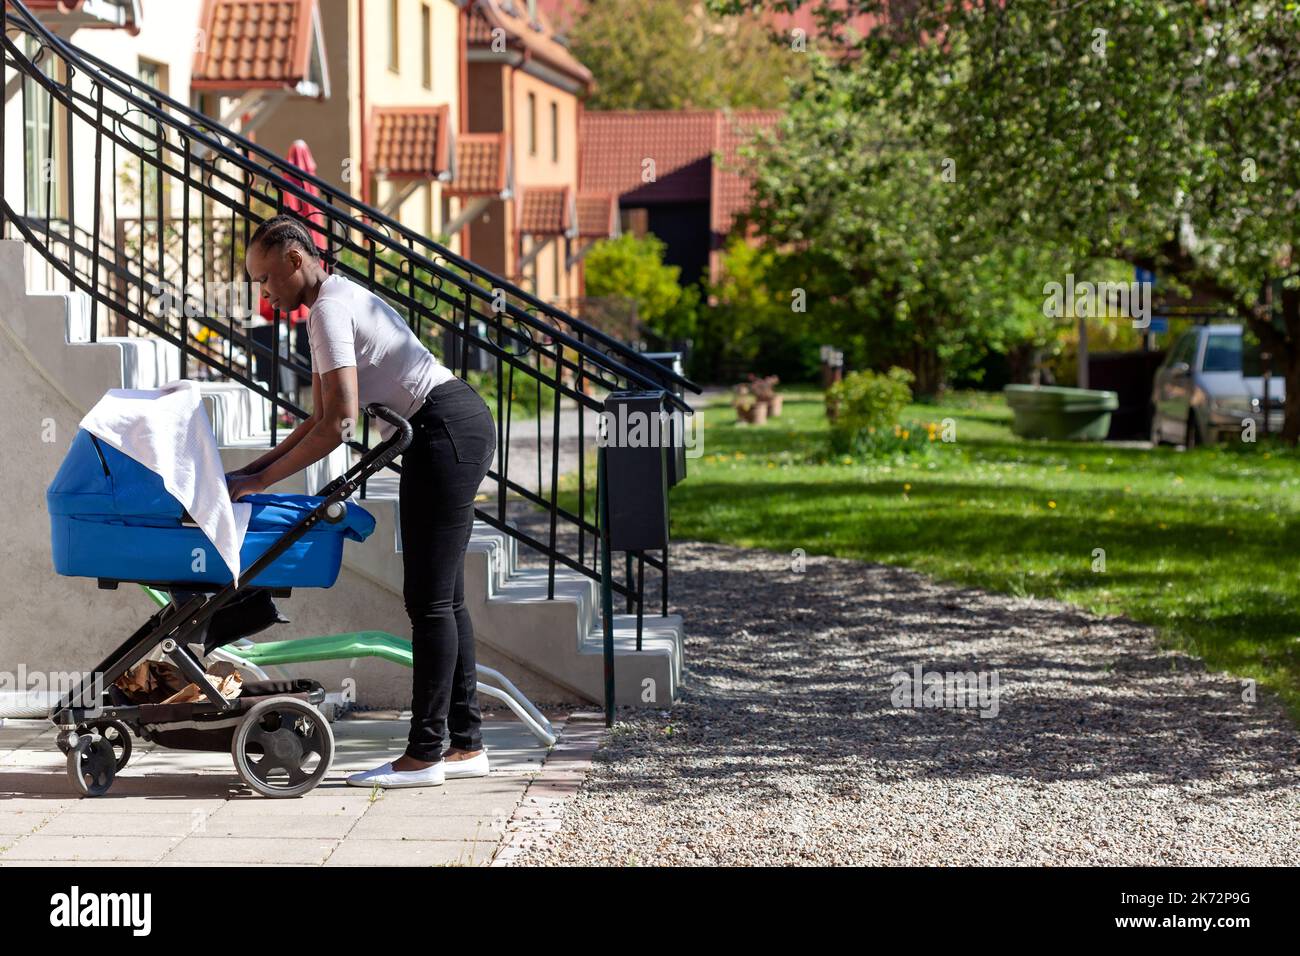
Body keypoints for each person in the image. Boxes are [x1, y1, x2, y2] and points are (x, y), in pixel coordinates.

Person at [226, 215, 497, 788]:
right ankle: (466, 745)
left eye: (266, 278)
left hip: (445, 428)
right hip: (449, 426)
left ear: (295, 259)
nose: (264, 292)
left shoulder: (327, 309)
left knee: (428, 600)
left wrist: (263, 481)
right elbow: (320, 418)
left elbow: (341, 424)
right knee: (443, 596)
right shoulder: (335, 300)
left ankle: (425, 754)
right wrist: (253, 471)